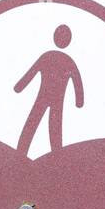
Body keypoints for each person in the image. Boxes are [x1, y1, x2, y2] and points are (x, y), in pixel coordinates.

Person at [11, 24, 84, 155]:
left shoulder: (50, 57)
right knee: (52, 126)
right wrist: (79, 101)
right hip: (52, 98)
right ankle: (52, 154)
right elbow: (77, 83)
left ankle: (22, 151)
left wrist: (19, 87)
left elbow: (30, 74)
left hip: (45, 98)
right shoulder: (66, 61)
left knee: (37, 123)